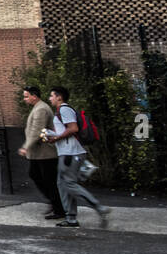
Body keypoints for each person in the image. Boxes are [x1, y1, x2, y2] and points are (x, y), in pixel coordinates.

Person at [45, 86, 111, 229]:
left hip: (71, 153)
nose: (50, 98)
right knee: (62, 185)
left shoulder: (65, 109)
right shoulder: (61, 111)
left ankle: (99, 207)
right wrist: (52, 136)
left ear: (59, 97)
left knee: (69, 184)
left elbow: (73, 128)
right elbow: (66, 130)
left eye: (51, 96)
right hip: (67, 152)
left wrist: (56, 137)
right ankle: (71, 218)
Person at [18, 86, 64, 220]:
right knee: (36, 175)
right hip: (39, 153)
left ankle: (58, 208)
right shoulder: (38, 108)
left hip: (45, 153)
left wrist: (26, 147)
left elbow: (37, 130)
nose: (24, 99)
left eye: (26, 96)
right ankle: (54, 203)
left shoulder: (41, 109)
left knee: (49, 180)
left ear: (34, 96)